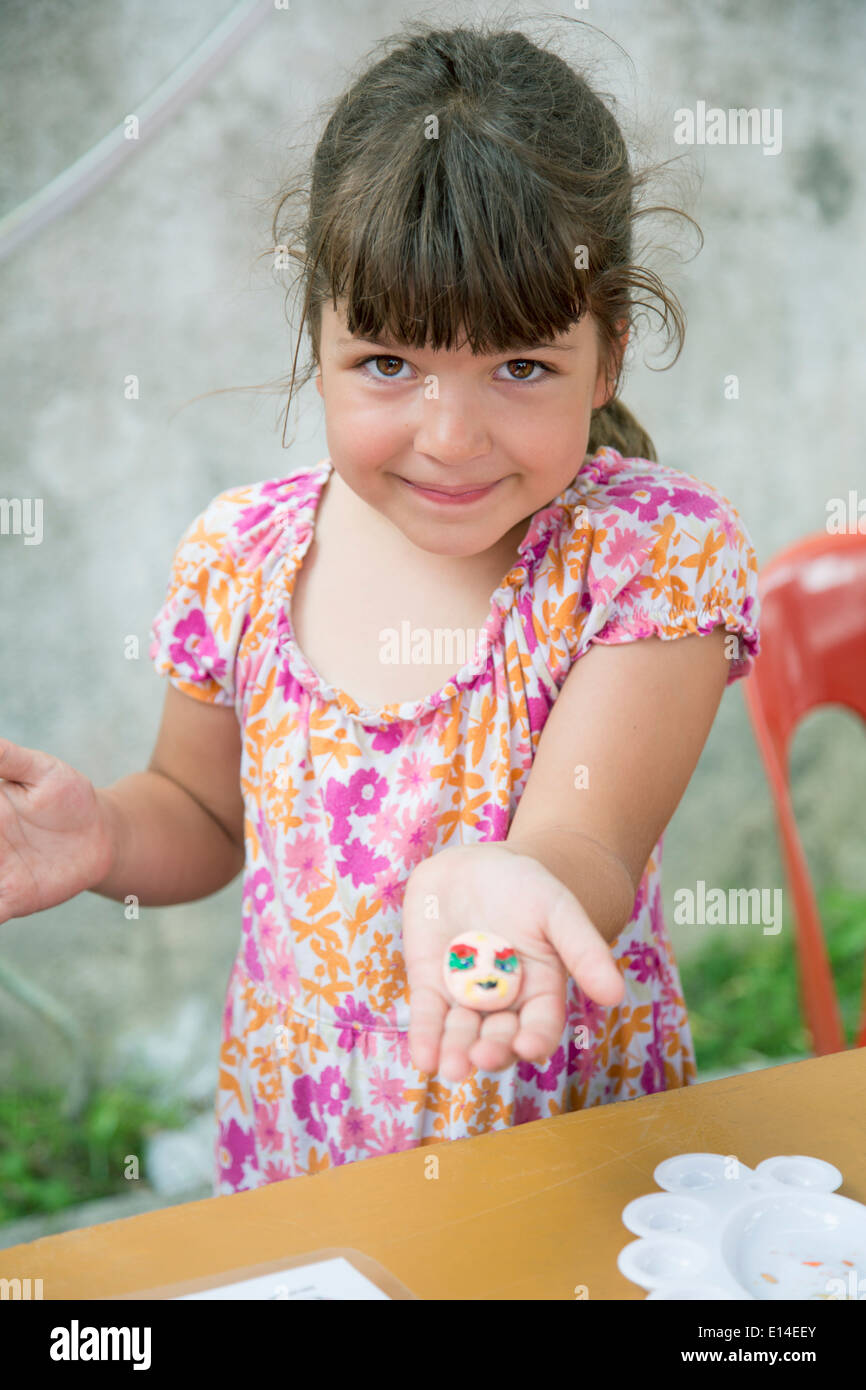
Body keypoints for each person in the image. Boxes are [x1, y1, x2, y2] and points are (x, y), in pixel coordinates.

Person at [0, 22, 760, 1195]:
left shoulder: (646, 561)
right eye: (389, 365)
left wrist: (519, 885)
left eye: (520, 367)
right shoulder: (238, 558)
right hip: (305, 1156)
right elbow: (202, 809)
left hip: (554, 1160)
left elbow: (583, 838)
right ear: (318, 335)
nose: (449, 438)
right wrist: (105, 834)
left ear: (605, 355)